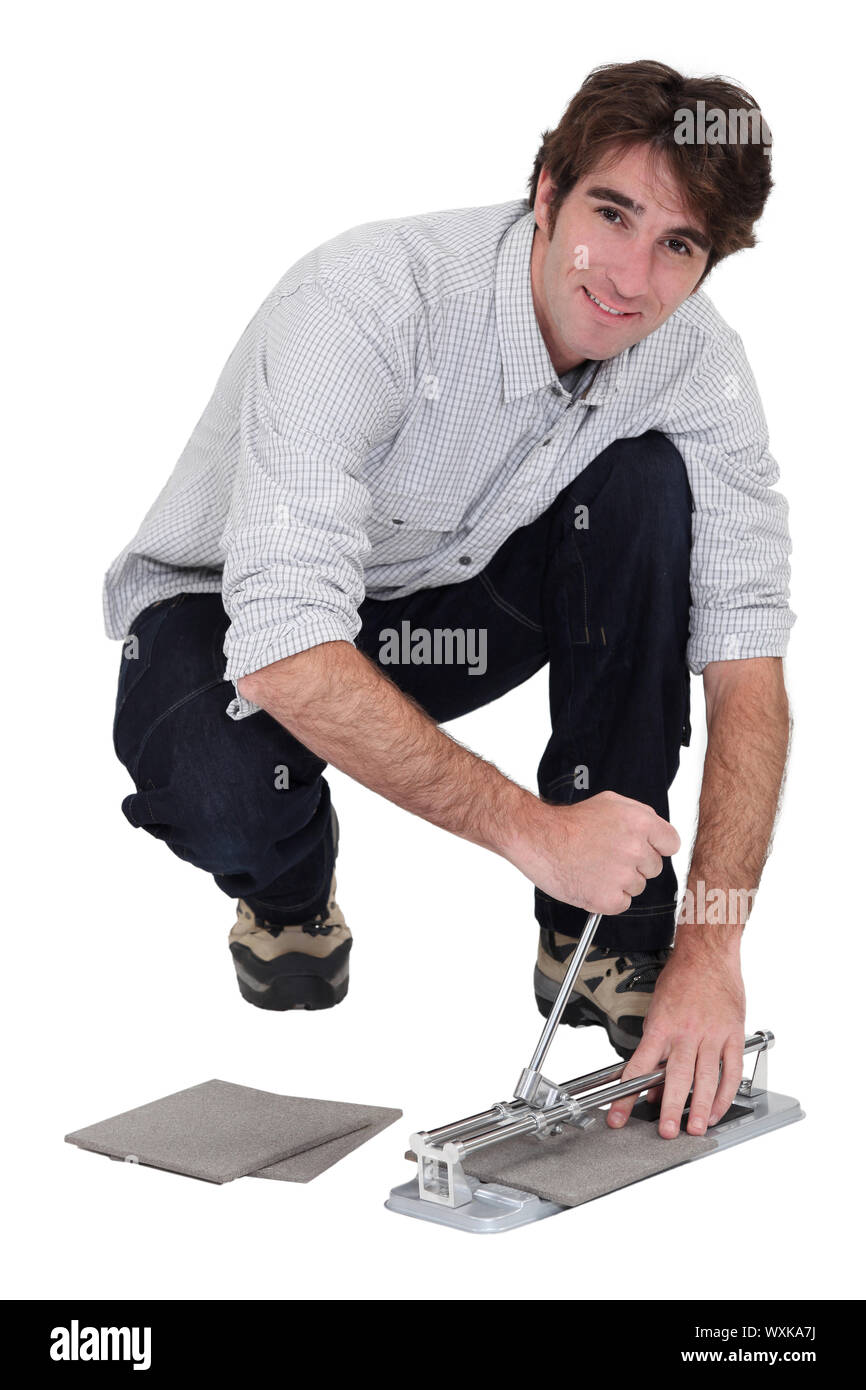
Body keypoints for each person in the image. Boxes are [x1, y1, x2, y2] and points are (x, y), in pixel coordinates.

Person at [103, 60, 793, 1140]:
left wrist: (712, 945)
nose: (628, 275)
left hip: (454, 611)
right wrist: (529, 830)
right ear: (545, 188)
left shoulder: (696, 368)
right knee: (225, 782)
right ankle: (287, 889)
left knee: (645, 485)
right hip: (238, 622)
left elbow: (747, 664)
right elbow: (286, 647)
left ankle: (602, 930)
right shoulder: (366, 304)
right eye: (609, 214)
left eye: (677, 245)